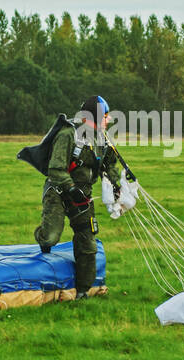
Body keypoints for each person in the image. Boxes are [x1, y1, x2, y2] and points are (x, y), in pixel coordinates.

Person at [32, 95, 122, 299]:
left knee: (88, 244)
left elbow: (109, 166)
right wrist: (71, 188)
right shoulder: (68, 135)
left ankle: (83, 291)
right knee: (52, 237)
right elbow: (55, 169)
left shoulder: (103, 140)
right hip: (59, 191)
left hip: (83, 198)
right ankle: (42, 238)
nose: (108, 121)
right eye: (105, 116)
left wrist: (117, 185)